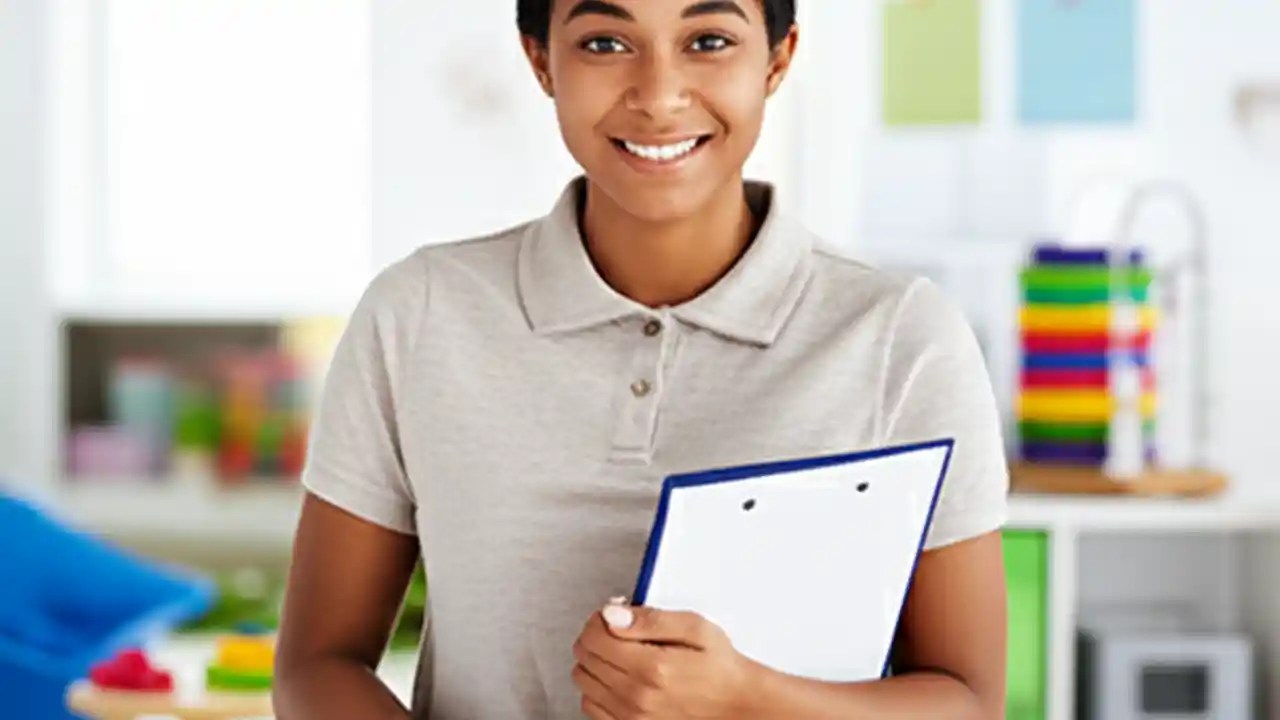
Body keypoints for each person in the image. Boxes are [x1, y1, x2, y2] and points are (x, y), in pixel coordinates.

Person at [273, 0, 1010, 717]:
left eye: (710, 40)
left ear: (777, 59)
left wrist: (749, 700)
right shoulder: (419, 312)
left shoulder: (901, 337)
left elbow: (967, 699)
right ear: (540, 59)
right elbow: (316, 666)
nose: (659, 97)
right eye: (604, 43)